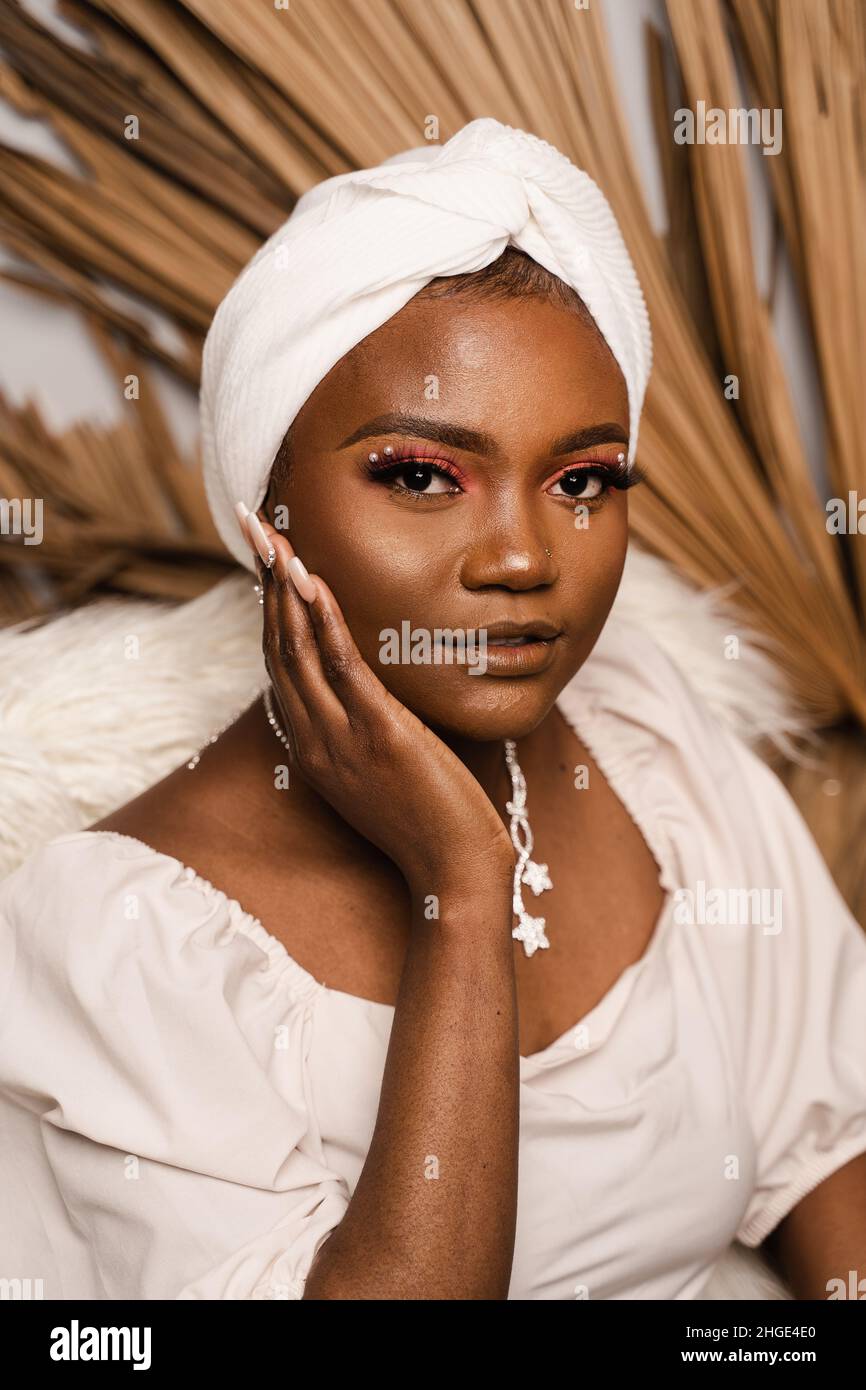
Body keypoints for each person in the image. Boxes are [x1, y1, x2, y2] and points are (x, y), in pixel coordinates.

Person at [0, 119, 864, 1302]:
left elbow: (828, 1147)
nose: (519, 557)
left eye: (581, 480)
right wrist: (461, 887)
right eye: (419, 475)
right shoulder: (118, 941)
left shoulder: (643, 739)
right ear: (268, 515)